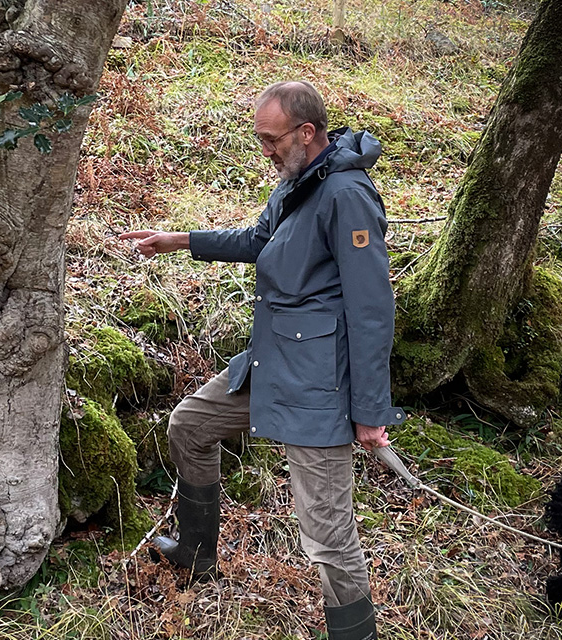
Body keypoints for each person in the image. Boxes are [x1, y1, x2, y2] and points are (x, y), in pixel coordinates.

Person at [119, 81, 405, 640]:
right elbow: (258, 239)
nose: (266, 150)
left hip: (320, 386)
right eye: (259, 140)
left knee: (327, 535)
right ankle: (196, 551)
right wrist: (179, 239)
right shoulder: (299, 181)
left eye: (271, 139)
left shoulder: (347, 195)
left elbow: (373, 311)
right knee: (191, 425)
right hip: (273, 361)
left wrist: (370, 411)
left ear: (306, 132)